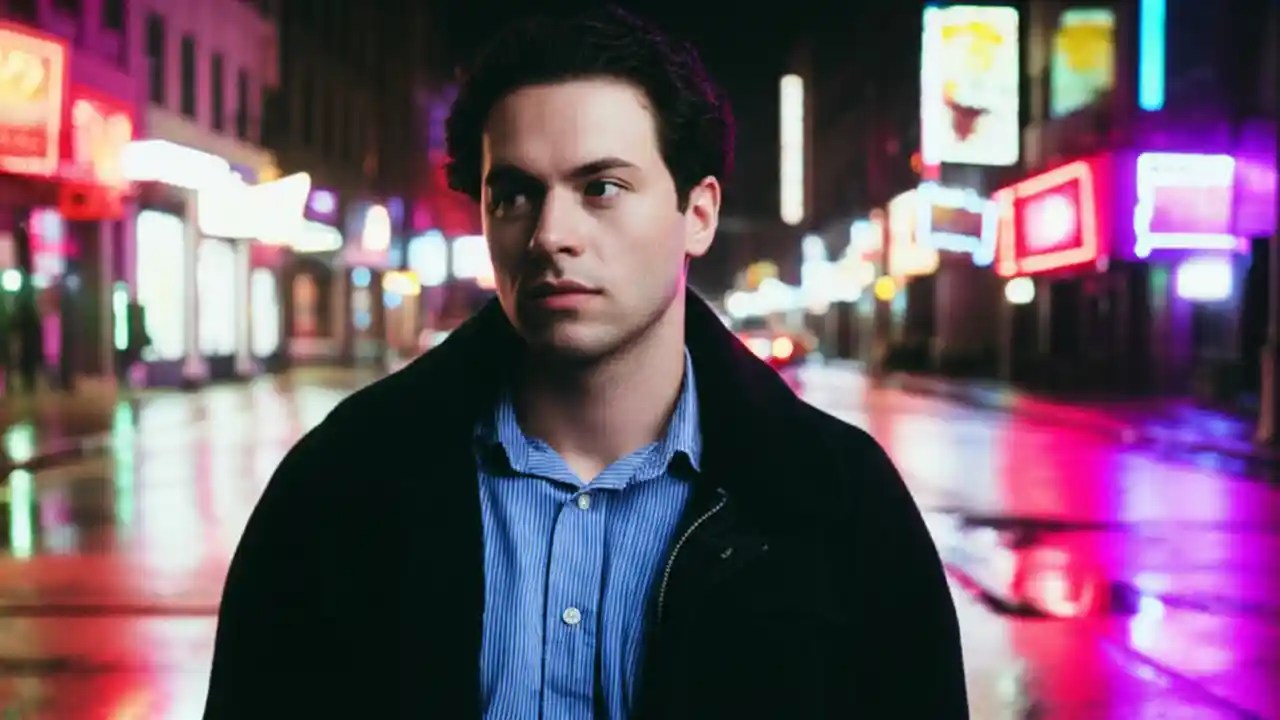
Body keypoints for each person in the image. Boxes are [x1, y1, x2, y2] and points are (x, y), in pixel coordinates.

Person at [203, 6, 967, 719]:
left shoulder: (838, 502)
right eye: (514, 195)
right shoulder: (344, 481)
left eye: (601, 187)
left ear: (697, 213)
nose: (550, 235)